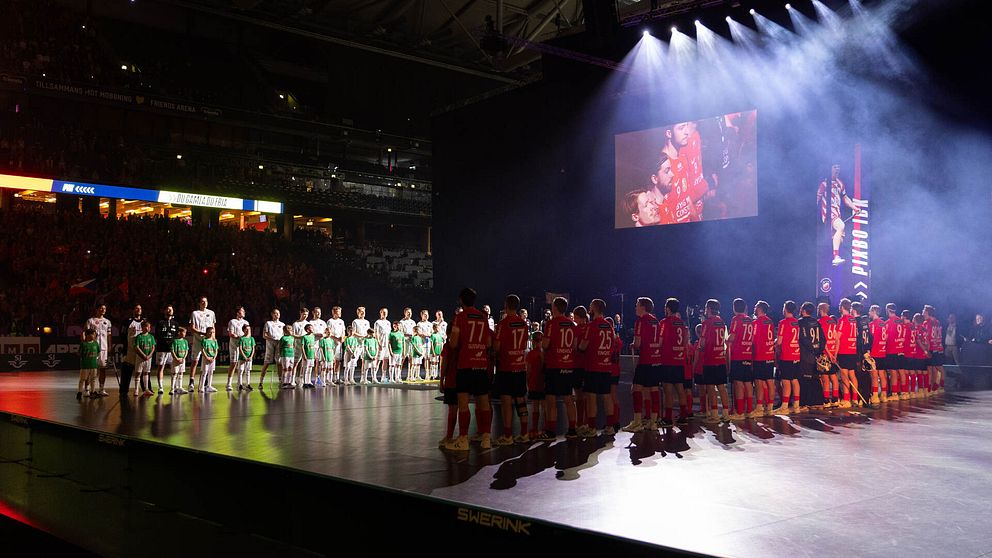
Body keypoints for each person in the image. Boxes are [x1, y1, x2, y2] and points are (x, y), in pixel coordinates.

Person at [444, 288, 494, 451]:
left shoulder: (459, 317)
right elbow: (487, 343)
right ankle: (486, 437)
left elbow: (453, 343)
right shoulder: (483, 317)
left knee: (464, 404)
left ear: (461, 300)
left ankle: (463, 439)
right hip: (480, 364)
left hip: (465, 364)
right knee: (483, 403)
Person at [493, 294, 530, 445]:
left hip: (506, 367)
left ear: (506, 305)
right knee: (521, 400)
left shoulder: (503, 324)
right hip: (520, 366)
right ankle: (524, 433)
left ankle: (508, 435)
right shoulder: (524, 323)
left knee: (506, 401)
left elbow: (497, 347)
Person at [624, 297, 661, 432]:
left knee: (636, 389)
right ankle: (653, 421)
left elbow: (638, 343)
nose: (635, 307)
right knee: (653, 390)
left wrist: (633, 344)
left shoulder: (640, 321)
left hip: (645, 360)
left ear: (643, 307)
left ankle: (637, 421)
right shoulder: (655, 320)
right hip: (656, 359)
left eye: (637, 305)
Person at [817, 163, 861, 266]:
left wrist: (854, 208)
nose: (837, 169)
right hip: (828, 214)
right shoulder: (824, 184)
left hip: (837, 213)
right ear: (830, 169)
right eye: (835, 167)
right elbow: (817, 199)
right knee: (841, 226)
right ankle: (836, 257)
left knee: (840, 238)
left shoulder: (840, 183)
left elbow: (845, 198)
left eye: (838, 167)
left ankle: (832, 257)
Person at [657, 298, 690, 426]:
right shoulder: (681, 323)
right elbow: (685, 340)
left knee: (668, 389)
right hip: (679, 359)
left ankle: (668, 418)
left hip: (668, 359)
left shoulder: (665, 322)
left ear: (668, 308)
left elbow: (660, 341)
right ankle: (683, 416)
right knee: (680, 388)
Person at [697, 299, 730, 423]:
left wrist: (701, 348)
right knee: (722, 387)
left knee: (711, 387)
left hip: (710, 359)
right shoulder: (721, 322)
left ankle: (715, 414)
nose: (705, 309)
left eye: (706, 307)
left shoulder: (706, 323)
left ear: (709, 308)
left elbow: (703, 343)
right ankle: (726, 414)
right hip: (720, 358)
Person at [727, 298, 755, 420]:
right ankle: (749, 410)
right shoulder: (749, 320)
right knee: (748, 382)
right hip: (748, 353)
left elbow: (732, 337)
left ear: (734, 307)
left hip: (738, 354)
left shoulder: (735, 319)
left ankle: (739, 412)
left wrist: (726, 340)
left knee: (738, 383)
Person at [774, 301, 802, 414]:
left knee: (786, 381)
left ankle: (784, 406)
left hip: (787, 355)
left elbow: (779, 341)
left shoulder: (783, 323)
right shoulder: (798, 322)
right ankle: (796, 406)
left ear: (785, 309)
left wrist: (774, 343)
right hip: (796, 354)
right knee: (795, 380)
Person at [798, 302, 826, 411]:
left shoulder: (800, 322)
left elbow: (804, 338)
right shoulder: (816, 322)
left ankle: (805, 403)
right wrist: (819, 351)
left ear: (803, 310)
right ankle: (818, 402)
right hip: (816, 354)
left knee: (805, 379)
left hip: (806, 355)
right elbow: (823, 339)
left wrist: (812, 350)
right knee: (816, 378)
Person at [751, 301, 777, 417]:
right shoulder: (770, 321)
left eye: (756, 307)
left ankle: (759, 407)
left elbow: (753, 339)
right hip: (770, 354)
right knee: (770, 381)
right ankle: (770, 407)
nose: (754, 309)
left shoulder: (756, 322)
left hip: (760, 355)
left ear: (759, 309)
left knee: (759, 382)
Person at [835, 299, 861, 407]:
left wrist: (835, 353)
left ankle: (846, 400)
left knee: (844, 376)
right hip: (852, 350)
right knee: (852, 375)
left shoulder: (843, 320)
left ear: (841, 307)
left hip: (844, 350)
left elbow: (837, 337)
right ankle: (854, 399)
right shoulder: (853, 319)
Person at [188, 296, 217, 392]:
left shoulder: (211, 313)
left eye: (205, 301)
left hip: (208, 341)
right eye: (202, 302)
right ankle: (191, 382)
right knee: (195, 361)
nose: (204, 303)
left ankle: (207, 384)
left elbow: (213, 327)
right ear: (199, 303)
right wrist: (202, 333)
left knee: (209, 362)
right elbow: (192, 328)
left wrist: (213, 338)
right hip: (198, 340)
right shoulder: (195, 313)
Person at [84, 304, 112, 397]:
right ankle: (87, 389)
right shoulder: (90, 321)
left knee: (103, 369)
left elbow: (109, 335)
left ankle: (101, 389)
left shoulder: (107, 322)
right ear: (97, 309)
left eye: (105, 308)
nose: (103, 310)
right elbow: (85, 334)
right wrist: (86, 345)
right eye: (101, 308)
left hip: (104, 348)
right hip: (93, 348)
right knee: (90, 369)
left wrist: (110, 346)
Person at [817, 302, 840, 409]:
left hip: (826, 353)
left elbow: (823, 340)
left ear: (821, 310)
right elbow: (837, 339)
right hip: (833, 351)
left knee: (825, 378)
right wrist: (835, 353)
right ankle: (835, 399)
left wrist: (829, 354)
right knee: (834, 377)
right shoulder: (832, 321)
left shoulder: (820, 322)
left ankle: (826, 400)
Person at [571, 305, 590, 427]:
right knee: (588, 395)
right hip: (588, 365)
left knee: (578, 395)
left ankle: (579, 423)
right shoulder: (590, 327)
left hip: (578, 365)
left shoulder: (576, 329)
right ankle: (588, 423)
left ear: (578, 317)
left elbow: (574, 347)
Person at [525, 331, 546, 440]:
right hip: (543, 382)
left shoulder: (531, 354)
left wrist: (527, 381)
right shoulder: (545, 353)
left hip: (533, 382)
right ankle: (545, 428)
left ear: (532, 341)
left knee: (535, 406)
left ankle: (534, 428)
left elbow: (528, 370)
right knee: (545, 406)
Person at [155, 305, 179, 395]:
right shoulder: (160, 322)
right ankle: (160, 387)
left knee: (173, 368)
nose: (169, 311)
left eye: (171, 309)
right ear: (164, 311)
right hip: (162, 349)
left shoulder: (175, 323)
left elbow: (176, 336)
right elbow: (157, 335)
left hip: (172, 350)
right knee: (161, 367)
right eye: (168, 309)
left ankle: (172, 388)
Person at [885, 303, 907, 401]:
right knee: (902, 371)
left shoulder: (889, 322)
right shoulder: (901, 321)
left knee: (893, 372)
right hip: (901, 349)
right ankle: (904, 392)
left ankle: (894, 393)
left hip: (892, 349)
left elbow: (886, 337)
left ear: (888, 310)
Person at [121, 304, 144, 398]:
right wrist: (126, 346)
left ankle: (146, 388)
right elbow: (122, 334)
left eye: (140, 308)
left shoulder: (144, 321)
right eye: (136, 308)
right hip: (130, 351)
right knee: (127, 371)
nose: (138, 310)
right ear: (133, 310)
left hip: (141, 351)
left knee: (142, 371)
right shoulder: (128, 321)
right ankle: (123, 390)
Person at [259, 309, 284, 390]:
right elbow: (264, 335)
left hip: (279, 344)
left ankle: (280, 381)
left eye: (278, 313)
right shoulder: (268, 323)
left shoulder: (282, 324)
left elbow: (284, 335)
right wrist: (272, 338)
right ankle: (261, 382)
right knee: (267, 363)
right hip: (270, 343)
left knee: (279, 362)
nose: (277, 315)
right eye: (275, 313)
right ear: (272, 314)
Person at [923, 305, 946, 394]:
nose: (922, 313)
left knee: (932, 368)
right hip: (938, 347)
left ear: (928, 312)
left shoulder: (926, 322)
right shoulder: (938, 322)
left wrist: (926, 350)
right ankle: (935, 387)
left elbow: (927, 337)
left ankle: (933, 387)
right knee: (934, 368)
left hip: (931, 348)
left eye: (924, 311)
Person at [226, 306, 249, 392]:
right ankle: (229, 383)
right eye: (242, 311)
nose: (244, 312)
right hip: (234, 345)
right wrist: (240, 337)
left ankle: (240, 383)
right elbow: (231, 334)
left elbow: (248, 333)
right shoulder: (232, 321)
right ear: (238, 312)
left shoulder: (246, 322)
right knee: (234, 363)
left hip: (243, 346)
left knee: (242, 364)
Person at [906, 311, 928, 397]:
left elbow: (918, 341)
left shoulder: (917, 328)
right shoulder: (924, 328)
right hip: (924, 353)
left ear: (915, 320)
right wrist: (927, 350)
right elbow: (928, 341)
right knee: (925, 372)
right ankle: (925, 389)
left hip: (918, 352)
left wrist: (924, 350)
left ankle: (918, 391)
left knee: (918, 372)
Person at [133, 320, 156, 397]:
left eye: (149, 327)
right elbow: (137, 347)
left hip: (148, 358)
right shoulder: (139, 337)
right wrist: (143, 355)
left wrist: (149, 355)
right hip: (140, 357)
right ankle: (136, 389)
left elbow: (153, 347)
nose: (149, 328)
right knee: (138, 373)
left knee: (146, 373)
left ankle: (146, 389)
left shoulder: (151, 337)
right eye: (147, 326)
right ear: (142, 327)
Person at [78, 329, 100, 400]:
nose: (94, 335)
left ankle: (92, 392)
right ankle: (80, 392)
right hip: (85, 366)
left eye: (94, 334)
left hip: (93, 365)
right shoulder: (83, 344)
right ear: (88, 335)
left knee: (93, 379)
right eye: (93, 334)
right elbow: (80, 353)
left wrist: (95, 359)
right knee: (82, 379)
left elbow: (98, 352)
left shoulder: (96, 343)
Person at [327, 306, 347, 384]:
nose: (340, 313)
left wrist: (342, 338)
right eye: (338, 312)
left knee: (338, 360)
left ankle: (337, 377)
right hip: (332, 343)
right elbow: (329, 332)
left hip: (339, 344)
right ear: (334, 312)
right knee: (331, 360)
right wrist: (335, 338)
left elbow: (343, 331)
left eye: (340, 311)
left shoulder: (341, 321)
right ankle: (329, 378)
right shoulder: (330, 321)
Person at [291, 308, 310, 386]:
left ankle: (300, 378)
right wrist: (301, 337)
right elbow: (293, 335)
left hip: (306, 347)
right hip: (297, 346)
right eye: (304, 314)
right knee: (295, 363)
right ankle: (292, 379)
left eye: (307, 314)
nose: (305, 316)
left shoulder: (308, 323)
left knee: (303, 364)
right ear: (300, 313)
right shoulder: (296, 324)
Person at [309, 307, 328, 386]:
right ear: (313, 312)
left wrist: (323, 335)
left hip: (321, 344)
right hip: (313, 344)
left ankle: (319, 378)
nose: (318, 314)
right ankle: (308, 379)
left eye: (319, 312)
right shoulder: (310, 322)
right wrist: (318, 334)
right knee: (313, 362)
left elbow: (326, 332)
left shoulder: (323, 322)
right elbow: (310, 333)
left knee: (320, 362)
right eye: (317, 312)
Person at [373, 308, 392, 383]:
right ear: (380, 313)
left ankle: (383, 377)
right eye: (383, 312)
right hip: (380, 345)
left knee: (385, 360)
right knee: (377, 361)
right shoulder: (377, 322)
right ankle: (374, 377)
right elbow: (375, 334)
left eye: (386, 312)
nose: (385, 314)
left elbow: (389, 334)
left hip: (387, 345)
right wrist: (378, 344)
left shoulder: (388, 322)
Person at [170, 327, 190, 395]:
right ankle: (172, 388)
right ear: (179, 332)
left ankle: (180, 387)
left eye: (185, 332)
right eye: (183, 332)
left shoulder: (185, 341)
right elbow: (172, 350)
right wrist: (176, 358)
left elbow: (186, 350)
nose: (185, 334)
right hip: (176, 360)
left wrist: (184, 358)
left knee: (181, 373)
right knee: (174, 373)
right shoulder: (175, 341)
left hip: (182, 360)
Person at [200, 326, 219, 393]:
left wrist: (214, 358)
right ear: (207, 332)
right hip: (206, 358)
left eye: (213, 332)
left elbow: (216, 350)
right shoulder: (204, 340)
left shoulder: (214, 341)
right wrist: (207, 357)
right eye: (210, 332)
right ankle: (201, 387)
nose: (211, 333)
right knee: (204, 372)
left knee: (211, 372)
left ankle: (209, 386)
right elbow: (202, 350)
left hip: (212, 359)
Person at [237, 324, 256, 391]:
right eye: (246, 329)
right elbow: (240, 348)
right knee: (241, 371)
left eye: (249, 329)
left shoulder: (251, 339)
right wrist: (244, 357)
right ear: (243, 330)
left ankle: (248, 385)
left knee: (247, 371)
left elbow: (253, 348)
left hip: (249, 358)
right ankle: (240, 385)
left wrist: (251, 356)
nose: (248, 331)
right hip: (242, 358)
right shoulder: (242, 338)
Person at [279, 325, 295, 389]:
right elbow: (280, 347)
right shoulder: (283, 338)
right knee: (285, 369)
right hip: (285, 355)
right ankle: (284, 383)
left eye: (291, 329)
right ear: (285, 330)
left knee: (291, 368)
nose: (291, 330)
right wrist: (280, 355)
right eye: (289, 329)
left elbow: (293, 346)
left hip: (292, 355)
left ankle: (289, 382)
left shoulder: (292, 338)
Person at [300, 323, 317, 389]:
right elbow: (302, 347)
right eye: (311, 328)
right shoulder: (304, 337)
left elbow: (313, 346)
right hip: (307, 355)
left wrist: (315, 355)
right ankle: (305, 383)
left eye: (313, 328)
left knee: (310, 369)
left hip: (311, 355)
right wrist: (304, 355)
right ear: (307, 330)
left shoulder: (313, 336)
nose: (312, 329)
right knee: (306, 369)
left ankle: (309, 382)